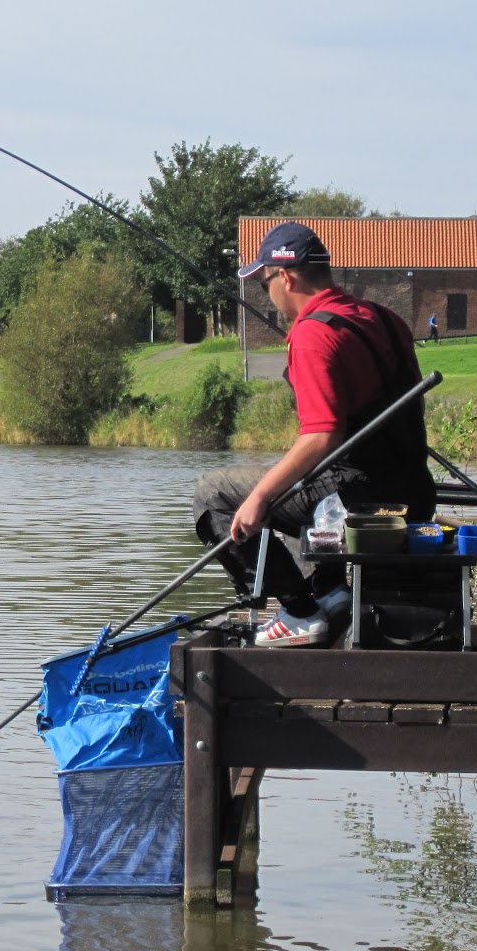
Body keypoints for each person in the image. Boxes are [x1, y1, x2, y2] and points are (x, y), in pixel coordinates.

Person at [193, 221, 435, 647]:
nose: (265, 293)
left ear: (285, 276)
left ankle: (299, 611)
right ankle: (331, 592)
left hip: (358, 494)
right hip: (414, 487)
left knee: (216, 493)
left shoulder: (312, 334)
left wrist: (260, 498)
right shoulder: (384, 318)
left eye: (264, 281)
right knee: (295, 483)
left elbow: (322, 435)